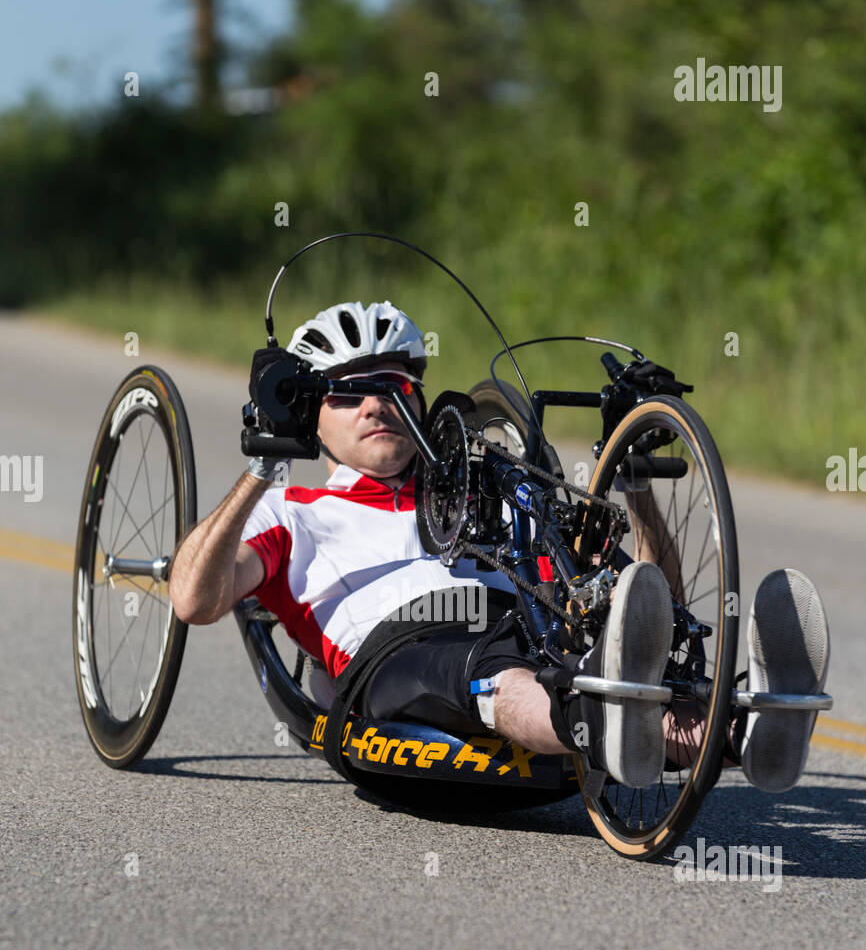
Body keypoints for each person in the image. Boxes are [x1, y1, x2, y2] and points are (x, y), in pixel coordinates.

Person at [168, 299, 830, 792]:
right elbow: (195, 600)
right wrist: (260, 469)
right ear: (310, 414)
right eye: (348, 392)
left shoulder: (485, 502)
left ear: (421, 402)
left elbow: (654, 608)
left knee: (594, 626)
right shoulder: (292, 512)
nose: (375, 405)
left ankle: (749, 726)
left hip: (517, 626)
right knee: (497, 673)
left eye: (393, 387)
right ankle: (613, 724)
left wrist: (636, 489)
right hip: (399, 654)